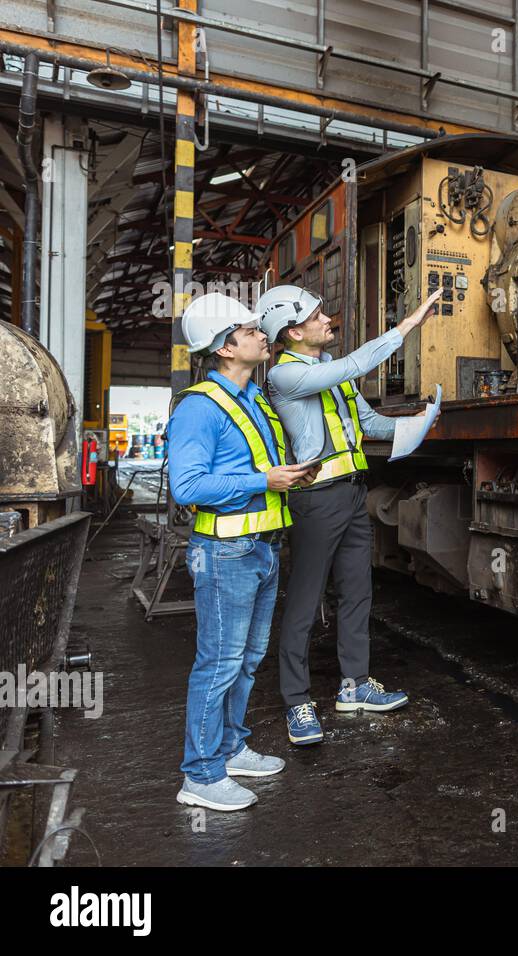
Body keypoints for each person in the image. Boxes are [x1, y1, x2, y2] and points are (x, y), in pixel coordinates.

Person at [256, 284, 440, 746]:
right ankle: (297, 701)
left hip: (353, 494)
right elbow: (356, 363)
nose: (327, 321)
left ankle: (355, 686)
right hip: (315, 501)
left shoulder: (328, 373)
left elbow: (369, 423)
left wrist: (418, 422)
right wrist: (405, 327)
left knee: (358, 592)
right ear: (294, 331)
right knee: (303, 601)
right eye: (317, 317)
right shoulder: (285, 376)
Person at [169, 293, 319, 811]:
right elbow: (187, 486)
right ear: (225, 346)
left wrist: (286, 478)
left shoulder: (253, 399)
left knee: (248, 660)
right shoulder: (199, 408)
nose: (263, 335)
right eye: (253, 330)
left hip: (262, 548)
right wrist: (263, 478)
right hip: (226, 552)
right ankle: (201, 775)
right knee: (219, 663)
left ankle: (230, 749)